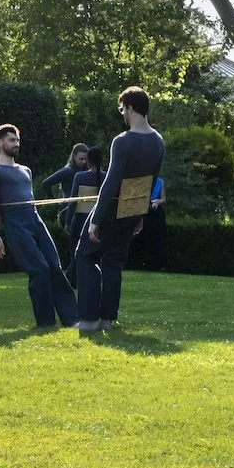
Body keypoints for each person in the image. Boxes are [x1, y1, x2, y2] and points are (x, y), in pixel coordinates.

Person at [74, 87, 165, 333]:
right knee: (113, 262)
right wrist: (141, 214)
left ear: (131, 108)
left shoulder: (123, 141)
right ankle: (107, 321)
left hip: (111, 208)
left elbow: (111, 181)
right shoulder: (158, 141)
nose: (122, 113)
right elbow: (151, 182)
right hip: (133, 210)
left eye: (122, 109)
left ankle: (90, 320)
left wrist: (95, 218)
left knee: (85, 256)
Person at [0, 123, 76, 329]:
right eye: (11, 140)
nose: (16, 144)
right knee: (39, 269)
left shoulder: (25, 170)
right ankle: (45, 322)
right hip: (15, 223)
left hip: (34, 219)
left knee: (54, 266)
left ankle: (72, 319)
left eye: (17, 140)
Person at [40, 143, 91, 233]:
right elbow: (46, 183)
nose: (83, 162)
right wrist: (54, 202)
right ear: (74, 156)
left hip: (83, 211)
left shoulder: (85, 170)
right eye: (81, 159)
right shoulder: (67, 171)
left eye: (86, 159)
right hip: (68, 212)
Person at [69, 146, 104, 243]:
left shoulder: (80, 177)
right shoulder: (106, 177)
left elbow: (73, 201)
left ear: (88, 160)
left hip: (80, 220)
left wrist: (68, 222)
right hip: (100, 220)